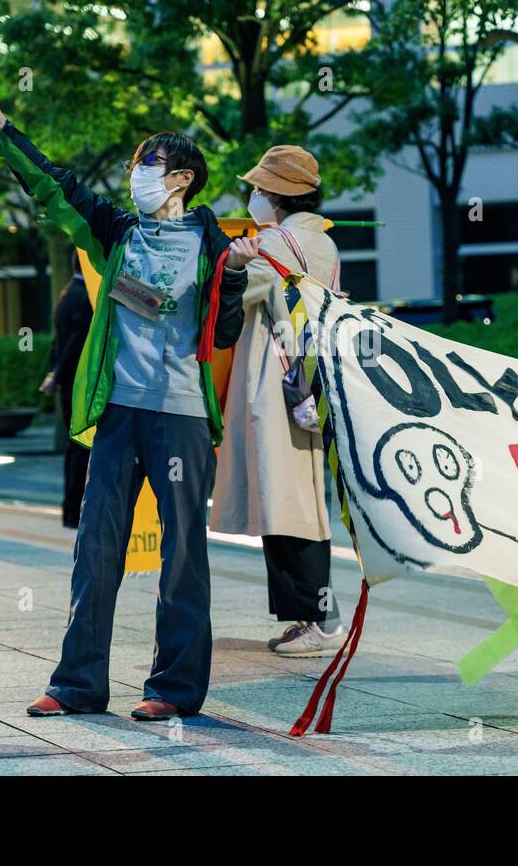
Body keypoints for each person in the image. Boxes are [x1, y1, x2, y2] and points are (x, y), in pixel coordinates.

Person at [0, 76, 259, 721]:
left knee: (183, 555)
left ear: (182, 178)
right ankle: (77, 684)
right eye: (136, 167)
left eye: (149, 166)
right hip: (120, 411)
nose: (137, 177)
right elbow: (55, 187)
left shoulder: (214, 247)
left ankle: (174, 690)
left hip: (182, 417)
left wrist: (235, 276)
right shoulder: (116, 232)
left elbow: (223, 333)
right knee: (96, 548)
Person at [209, 146, 349, 657]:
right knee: (303, 498)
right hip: (309, 377)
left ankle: (316, 620)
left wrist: (231, 262)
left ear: (279, 196)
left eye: (261, 191)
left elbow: (232, 294)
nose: (254, 197)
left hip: (277, 378)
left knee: (286, 500)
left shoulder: (275, 244)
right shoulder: (322, 243)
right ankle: (311, 617)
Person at [40, 249, 94, 529]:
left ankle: (70, 510)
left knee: (76, 449)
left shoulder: (66, 293)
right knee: (82, 448)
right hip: (79, 382)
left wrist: (54, 374)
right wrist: (59, 374)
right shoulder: (85, 296)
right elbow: (74, 342)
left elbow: (57, 341)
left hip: (67, 382)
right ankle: (74, 510)